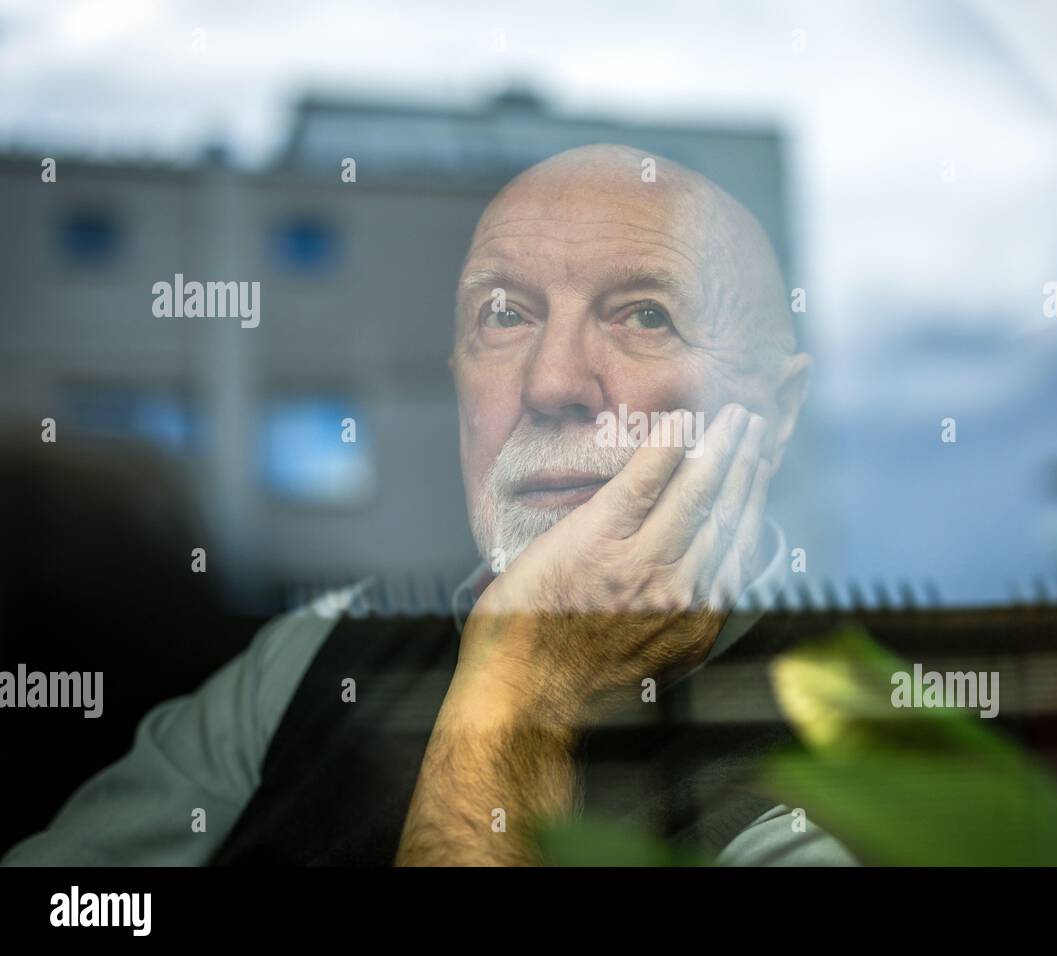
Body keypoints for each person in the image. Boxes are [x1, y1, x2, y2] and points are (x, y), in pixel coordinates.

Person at [3, 144, 858, 866]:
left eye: (643, 314)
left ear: (776, 416)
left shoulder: (873, 767)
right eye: (504, 314)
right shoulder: (315, 654)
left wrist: (525, 691)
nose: (552, 382)